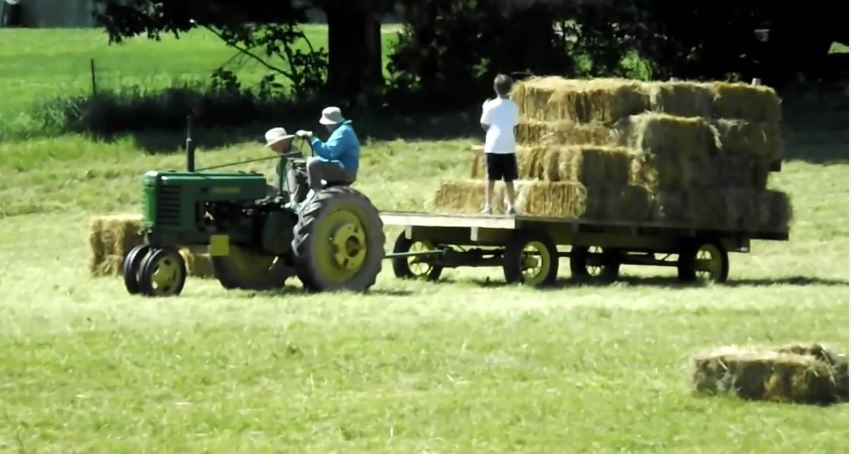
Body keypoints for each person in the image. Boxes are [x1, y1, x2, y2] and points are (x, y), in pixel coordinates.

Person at [480, 73, 520, 215]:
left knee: (491, 178)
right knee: (509, 179)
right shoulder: (514, 106)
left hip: (493, 146)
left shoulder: (490, 105)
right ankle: (511, 206)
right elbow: (515, 123)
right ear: (510, 89)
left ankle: (488, 206)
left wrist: (484, 109)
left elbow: (484, 124)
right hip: (508, 145)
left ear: (495, 88)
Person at [295, 106, 360, 192]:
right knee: (309, 161)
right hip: (344, 168)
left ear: (331, 123)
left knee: (313, 164)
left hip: (347, 172)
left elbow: (329, 152)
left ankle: (316, 194)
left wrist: (312, 138)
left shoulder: (343, 132)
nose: (326, 126)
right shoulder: (343, 130)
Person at [264, 127, 302, 199]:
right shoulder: (283, 158)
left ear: (282, 142)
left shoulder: (295, 159)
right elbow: (278, 186)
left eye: (273, 145)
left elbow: (292, 188)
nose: (272, 148)